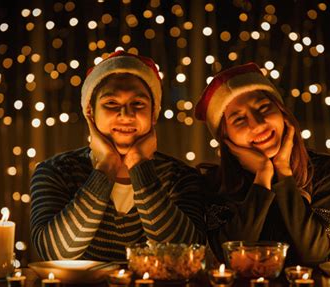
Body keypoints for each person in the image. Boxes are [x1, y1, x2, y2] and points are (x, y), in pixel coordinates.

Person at [30, 51, 206, 261]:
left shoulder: (181, 177)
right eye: (111, 103)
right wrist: (107, 167)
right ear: (90, 112)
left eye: (138, 104)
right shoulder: (55, 171)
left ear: (153, 114)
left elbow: (185, 255)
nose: (126, 115)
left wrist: (139, 164)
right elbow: (56, 252)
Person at [195, 63, 330, 266]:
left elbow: (315, 253)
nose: (258, 123)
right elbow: (229, 258)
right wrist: (263, 176)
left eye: (264, 108)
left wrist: (283, 171)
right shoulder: (212, 183)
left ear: (282, 112)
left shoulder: (323, 170)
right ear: (225, 137)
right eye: (239, 119)